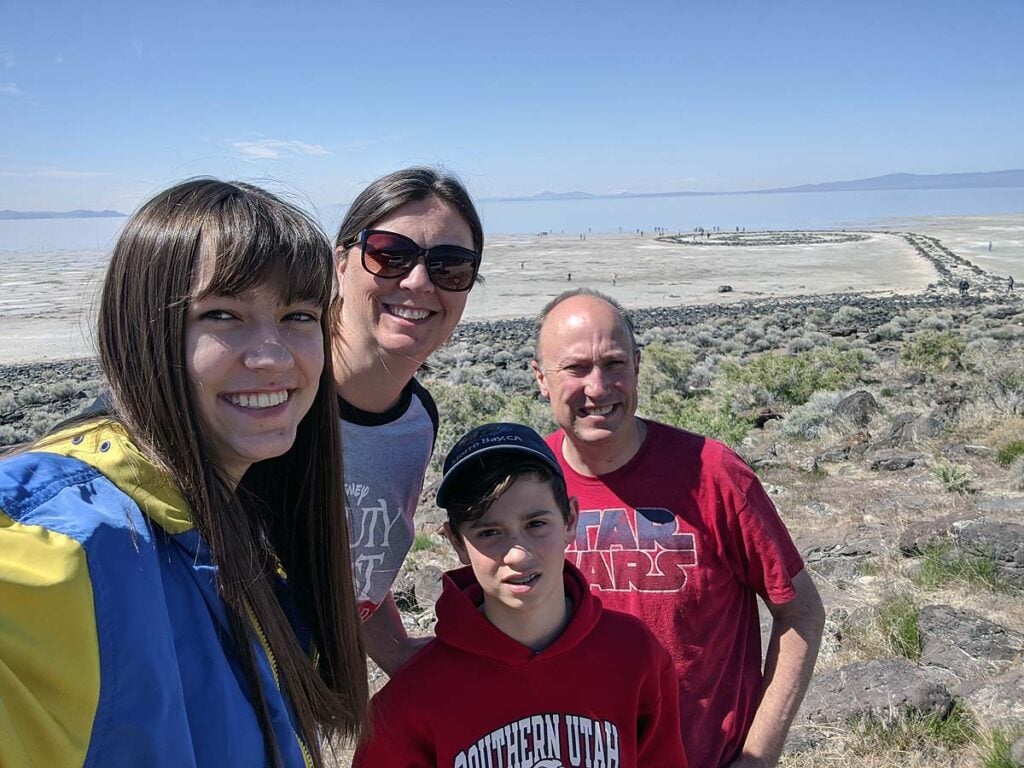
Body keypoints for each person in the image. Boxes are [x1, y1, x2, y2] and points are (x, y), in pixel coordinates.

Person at [0, 179, 368, 767]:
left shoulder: (232, 524)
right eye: (223, 314)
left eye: (299, 315)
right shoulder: (74, 542)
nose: (273, 355)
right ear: (142, 330)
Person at [530, 289, 825, 768]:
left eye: (614, 363)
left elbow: (802, 614)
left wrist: (757, 756)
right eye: (576, 368)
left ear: (638, 366)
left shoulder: (711, 473)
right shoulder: (529, 485)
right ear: (541, 378)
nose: (599, 387)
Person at [352, 423, 688, 767]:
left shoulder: (633, 656)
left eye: (536, 524)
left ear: (571, 520)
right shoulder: (413, 699)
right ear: (456, 542)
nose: (517, 555)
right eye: (489, 532)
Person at [332, 167, 483, 675]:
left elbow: (357, 567)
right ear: (340, 265)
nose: (418, 281)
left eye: (451, 267)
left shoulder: (416, 422)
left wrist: (395, 650)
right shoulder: (273, 397)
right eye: (388, 254)